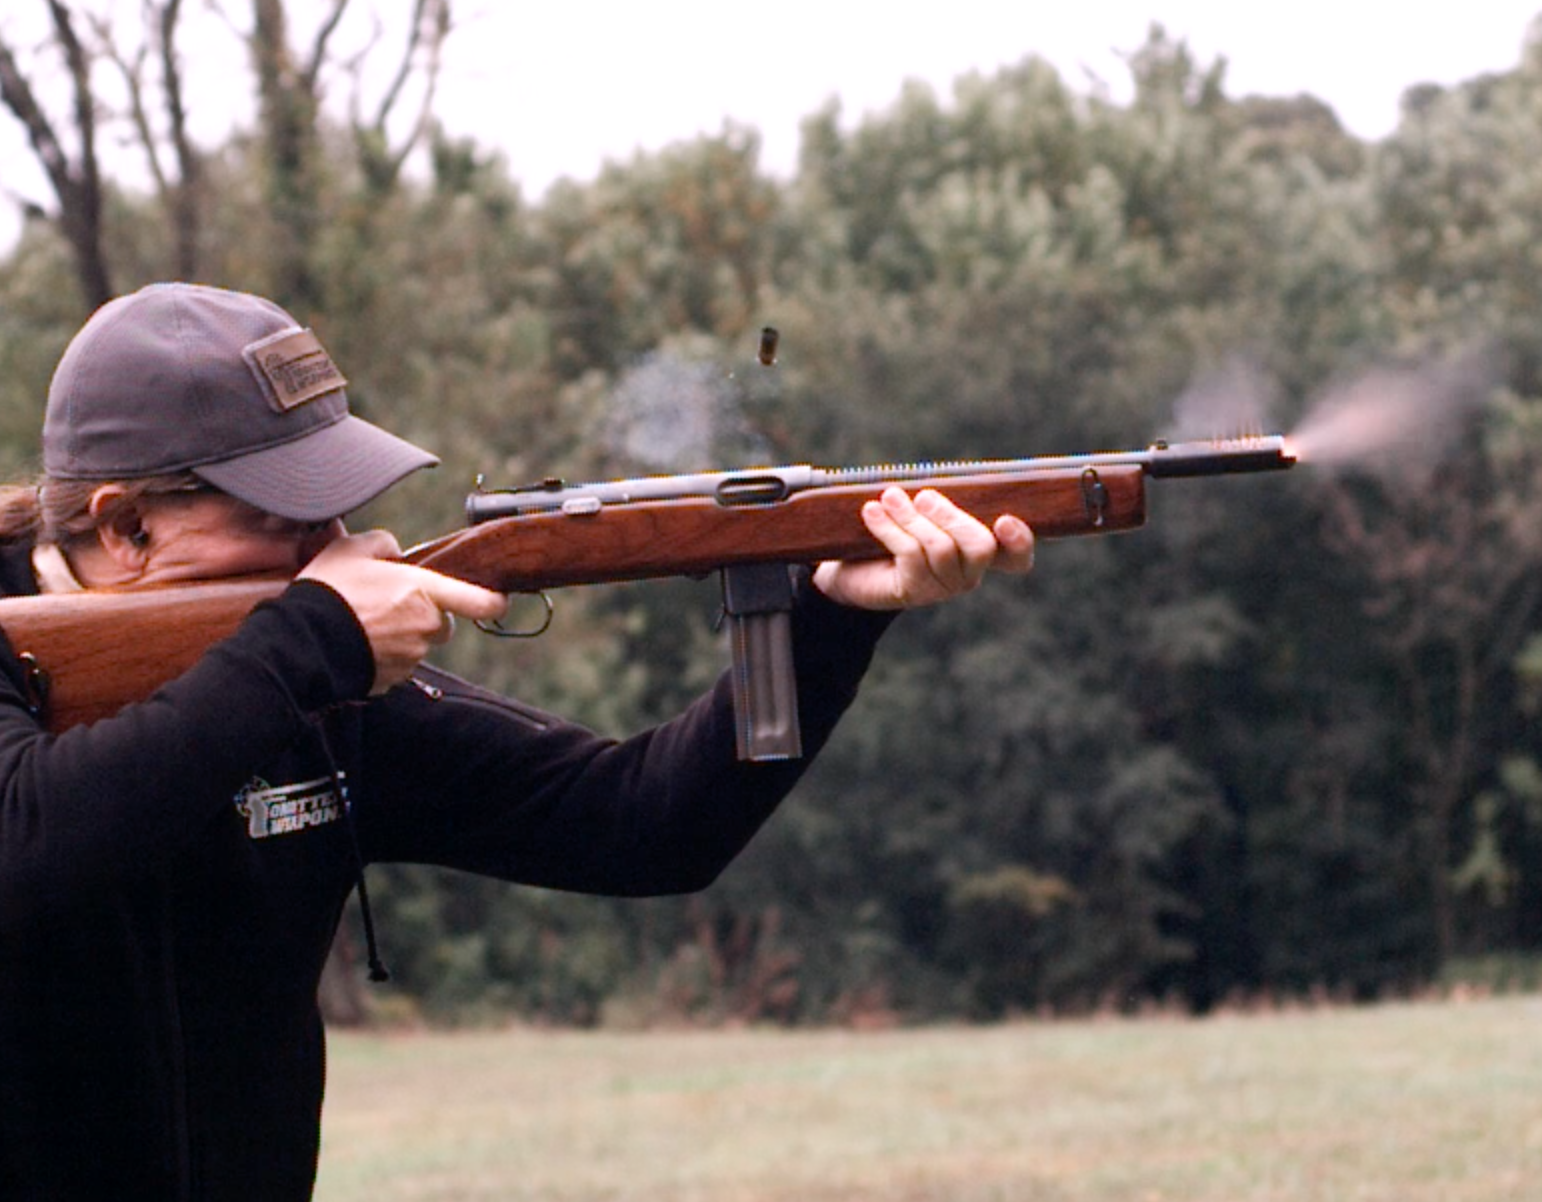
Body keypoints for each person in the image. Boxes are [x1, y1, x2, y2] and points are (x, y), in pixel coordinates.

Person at [0, 282, 1034, 1200]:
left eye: (339, 506)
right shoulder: (295, 652)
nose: (342, 549)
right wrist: (311, 639)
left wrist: (831, 619)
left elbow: (642, 825)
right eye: (290, 515)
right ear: (126, 526)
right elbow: (29, 843)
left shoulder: (305, 675)